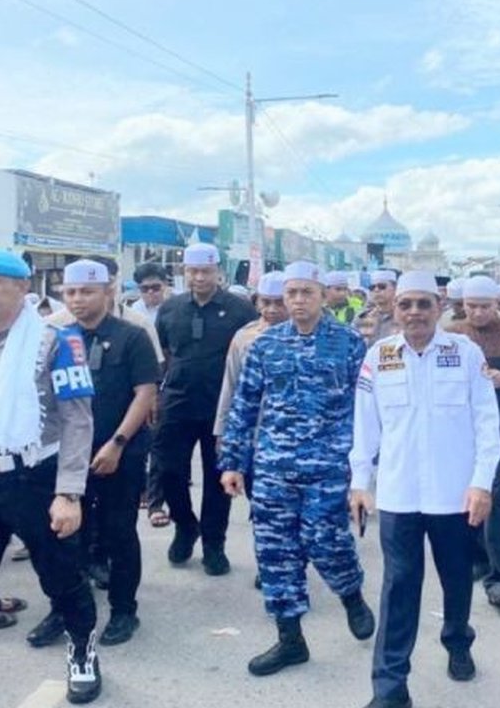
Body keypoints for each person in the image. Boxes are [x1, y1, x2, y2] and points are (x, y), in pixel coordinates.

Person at [0, 250, 100, 706]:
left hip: (36, 480)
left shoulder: (58, 340)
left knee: (63, 579)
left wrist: (69, 493)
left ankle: (83, 652)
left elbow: (78, 421)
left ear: (22, 288)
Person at [350, 271, 500, 708]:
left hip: (455, 495)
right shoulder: (378, 357)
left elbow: (486, 422)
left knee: (457, 580)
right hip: (398, 495)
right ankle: (390, 687)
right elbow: (365, 426)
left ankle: (457, 642)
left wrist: (481, 483)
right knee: (399, 588)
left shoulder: (466, 353)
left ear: (439, 308)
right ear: (394, 310)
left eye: (423, 304)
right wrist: (360, 482)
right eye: (406, 304)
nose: (414, 312)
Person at [219, 261, 375, 676]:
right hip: (273, 466)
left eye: (307, 292)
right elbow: (244, 405)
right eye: (292, 294)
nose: (299, 301)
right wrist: (233, 461)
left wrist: (363, 469)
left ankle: (351, 595)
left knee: (326, 542)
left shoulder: (348, 344)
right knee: (274, 551)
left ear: (323, 295)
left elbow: (367, 409)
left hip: (328, 465)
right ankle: (290, 639)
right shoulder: (266, 346)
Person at [54, 259, 158, 647]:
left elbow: (145, 393)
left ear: (108, 292)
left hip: (121, 453)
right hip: (70, 456)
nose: (78, 300)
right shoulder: (59, 339)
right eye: (71, 292)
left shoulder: (132, 337)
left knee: (118, 534)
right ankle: (65, 611)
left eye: (87, 291)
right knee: (68, 537)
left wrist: (117, 443)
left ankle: (123, 610)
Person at [155, 243, 258, 575]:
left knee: (217, 479)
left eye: (205, 271)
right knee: (169, 472)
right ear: (184, 272)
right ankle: (185, 526)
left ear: (218, 272)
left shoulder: (240, 310)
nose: (199, 278)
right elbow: (165, 353)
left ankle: (214, 544)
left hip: (220, 407)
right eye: (192, 271)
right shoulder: (170, 309)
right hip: (177, 403)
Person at [447, 275, 500, 608]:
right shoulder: (453, 336)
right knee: (467, 494)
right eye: (472, 307)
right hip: (461, 428)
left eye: (486, 307)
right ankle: (478, 559)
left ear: (498, 304)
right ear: (462, 306)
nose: (479, 313)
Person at [214, 272, 288, 440]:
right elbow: (230, 384)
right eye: (266, 302)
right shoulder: (245, 336)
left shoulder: (304, 337)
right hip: (250, 427)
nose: (272, 309)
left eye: (279, 303)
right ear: (257, 303)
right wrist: (222, 430)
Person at [355, 269, 400, 346]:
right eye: (372, 287)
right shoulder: (362, 317)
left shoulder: (403, 317)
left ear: (395, 289)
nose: (376, 290)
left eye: (382, 287)